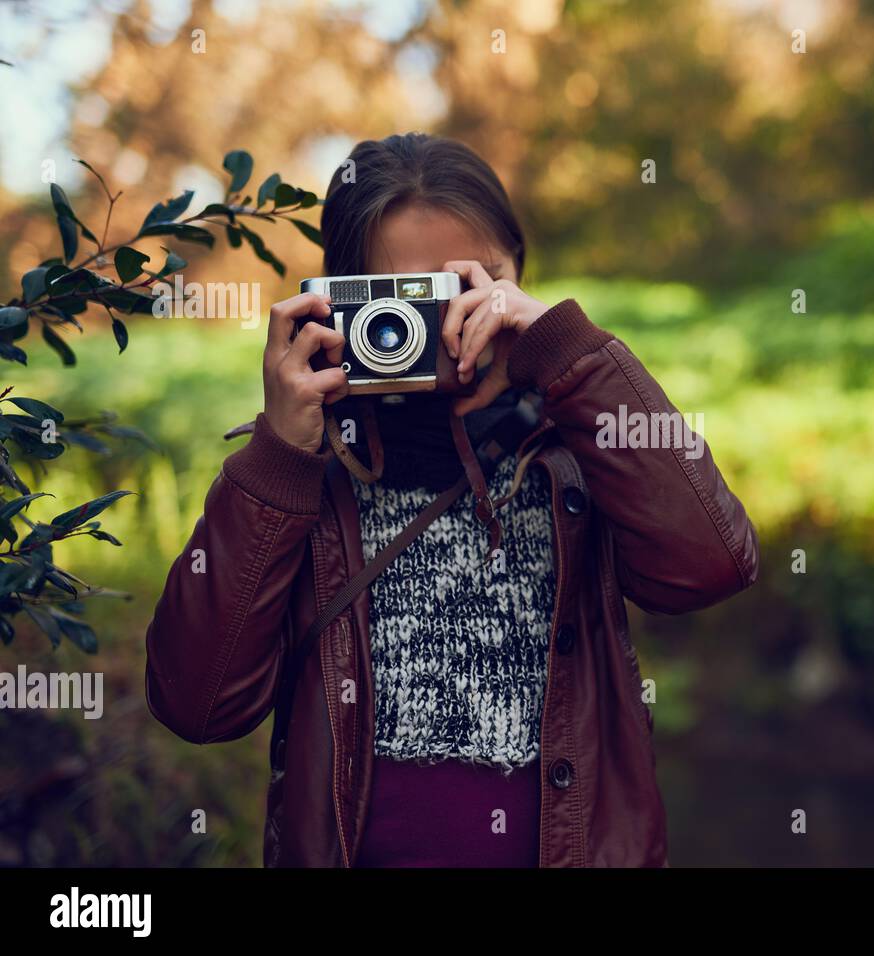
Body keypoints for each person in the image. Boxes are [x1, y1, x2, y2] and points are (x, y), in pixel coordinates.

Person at [143, 132, 759, 867]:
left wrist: (569, 353)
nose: (443, 322)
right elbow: (196, 703)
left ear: (518, 279)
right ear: (342, 304)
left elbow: (712, 564)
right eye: (404, 297)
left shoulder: (575, 449)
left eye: (469, 284)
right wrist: (278, 455)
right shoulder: (310, 474)